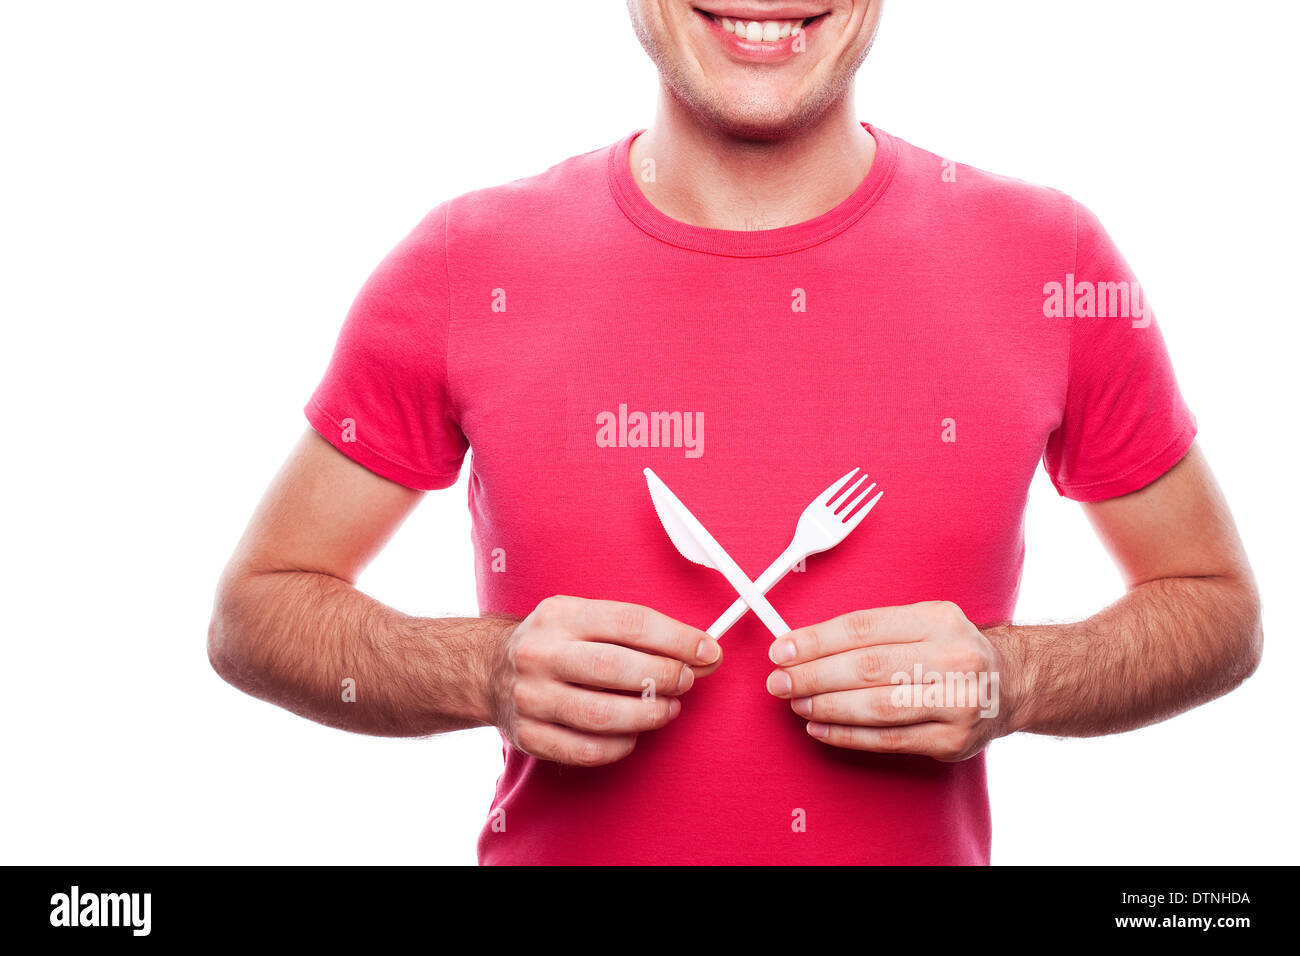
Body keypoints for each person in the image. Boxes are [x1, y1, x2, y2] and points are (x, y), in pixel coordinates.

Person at [208, 1, 1262, 864]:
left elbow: (1217, 611)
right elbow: (255, 612)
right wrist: (479, 670)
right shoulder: (465, 261)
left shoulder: (1047, 257)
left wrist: (1010, 676)